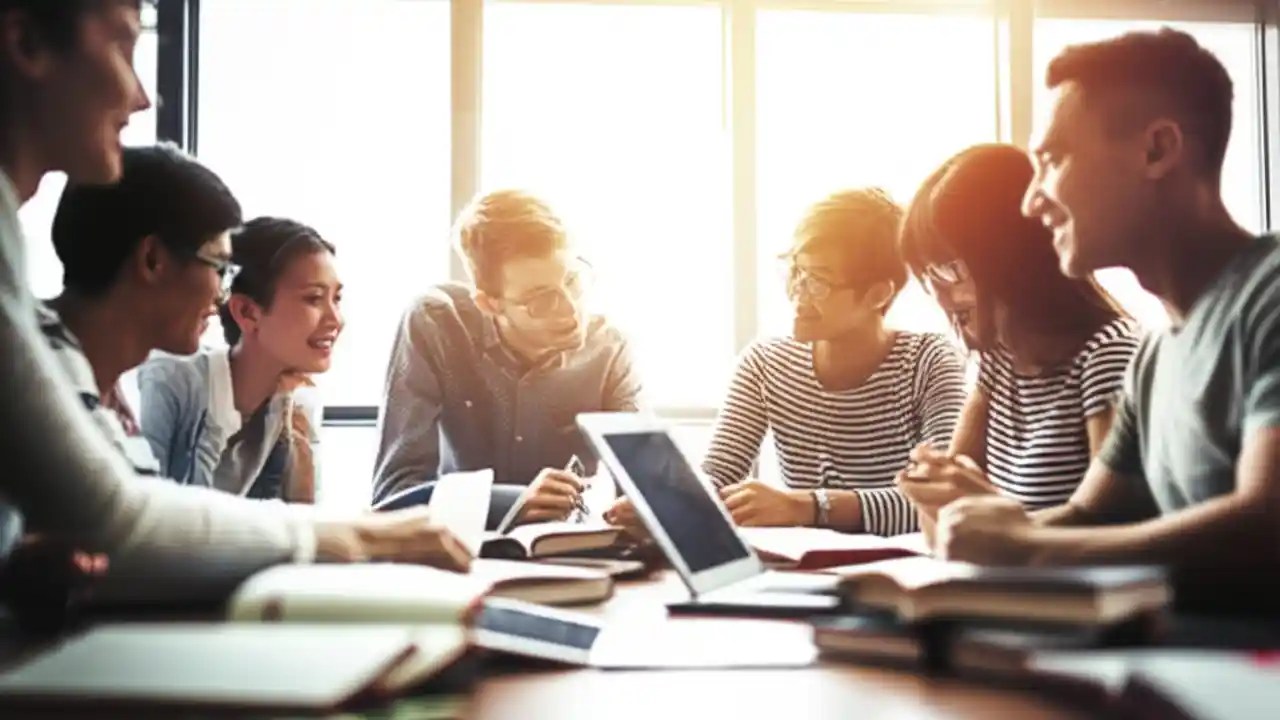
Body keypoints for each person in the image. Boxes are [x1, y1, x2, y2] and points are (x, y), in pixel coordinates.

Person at [0, 1, 468, 601]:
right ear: (25, 42)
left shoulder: (260, 403)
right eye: (122, 44)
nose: (142, 96)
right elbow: (118, 519)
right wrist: (360, 535)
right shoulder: (158, 378)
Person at [928, 30, 1280, 598]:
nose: (1031, 200)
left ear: (1157, 151)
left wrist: (1028, 545)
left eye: (1052, 161)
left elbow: (1268, 526)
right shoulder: (1155, 353)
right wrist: (969, 541)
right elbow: (1091, 518)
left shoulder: (1270, 296)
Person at [609, 189, 966, 536]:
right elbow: (719, 472)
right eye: (795, 271)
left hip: (906, 571)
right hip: (807, 567)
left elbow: (943, 499)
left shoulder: (928, 361)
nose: (797, 292)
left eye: (818, 281)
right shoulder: (766, 363)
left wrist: (808, 507)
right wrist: (667, 503)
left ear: (878, 294)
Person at [895, 144, 1140, 541]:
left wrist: (995, 513)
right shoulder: (998, 364)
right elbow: (945, 536)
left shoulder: (1108, 354)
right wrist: (932, 490)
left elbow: (1114, 530)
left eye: (951, 269)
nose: (940, 297)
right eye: (928, 277)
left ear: (1010, 257)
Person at [373, 189, 642, 527]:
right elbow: (392, 497)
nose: (572, 311)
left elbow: (644, 482)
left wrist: (646, 510)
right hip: (458, 553)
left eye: (573, 280)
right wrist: (509, 503)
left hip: (565, 556)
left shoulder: (610, 347)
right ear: (490, 304)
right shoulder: (435, 323)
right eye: (541, 300)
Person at [138, 213, 340, 502]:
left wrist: (301, 443)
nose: (336, 319)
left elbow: (299, 526)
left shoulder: (294, 403)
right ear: (247, 312)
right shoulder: (171, 380)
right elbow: (156, 520)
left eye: (337, 299)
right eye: (313, 298)